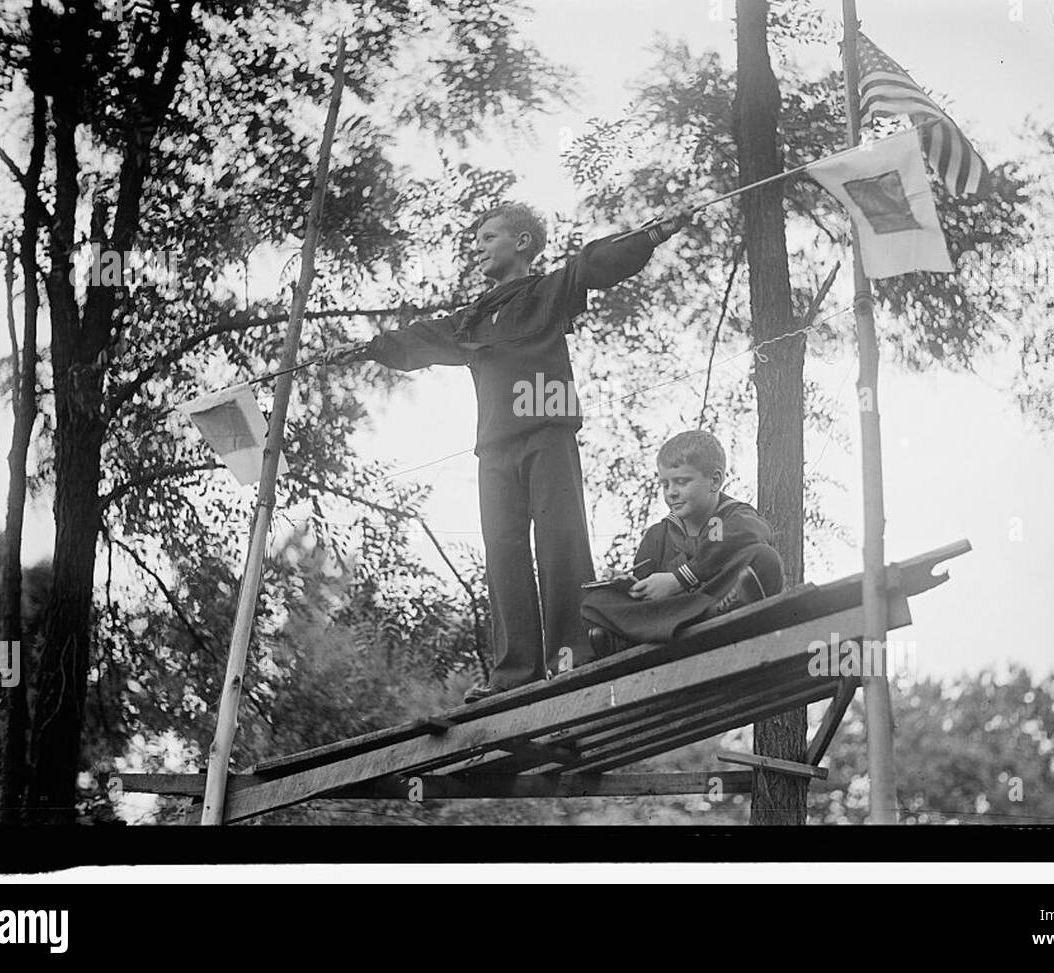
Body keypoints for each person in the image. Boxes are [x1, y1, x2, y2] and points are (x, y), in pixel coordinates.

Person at [330, 202, 689, 700]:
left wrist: (653, 234)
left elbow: (596, 263)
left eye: (487, 237)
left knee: (560, 543)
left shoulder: (549, 291)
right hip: (494, 449)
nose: (477, 247)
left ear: (521, 243)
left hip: (548, 433)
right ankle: (513, 675)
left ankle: (570, 657)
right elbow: (419, 340)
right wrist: (369, 348)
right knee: (503, 551)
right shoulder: (471, 322)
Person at [581, 429, 784, 653]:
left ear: (715, 481)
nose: (671, 493)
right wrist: (628, 585)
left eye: (681, 482)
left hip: (710, 599)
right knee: (595, 601)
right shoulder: (658, 534)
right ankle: (706, 615)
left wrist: (681, 578)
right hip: (674, 613)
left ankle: (630, 637)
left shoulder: (736, 516)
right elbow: (645, 590)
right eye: (665, 485)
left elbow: (755, 534)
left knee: (764, 558)